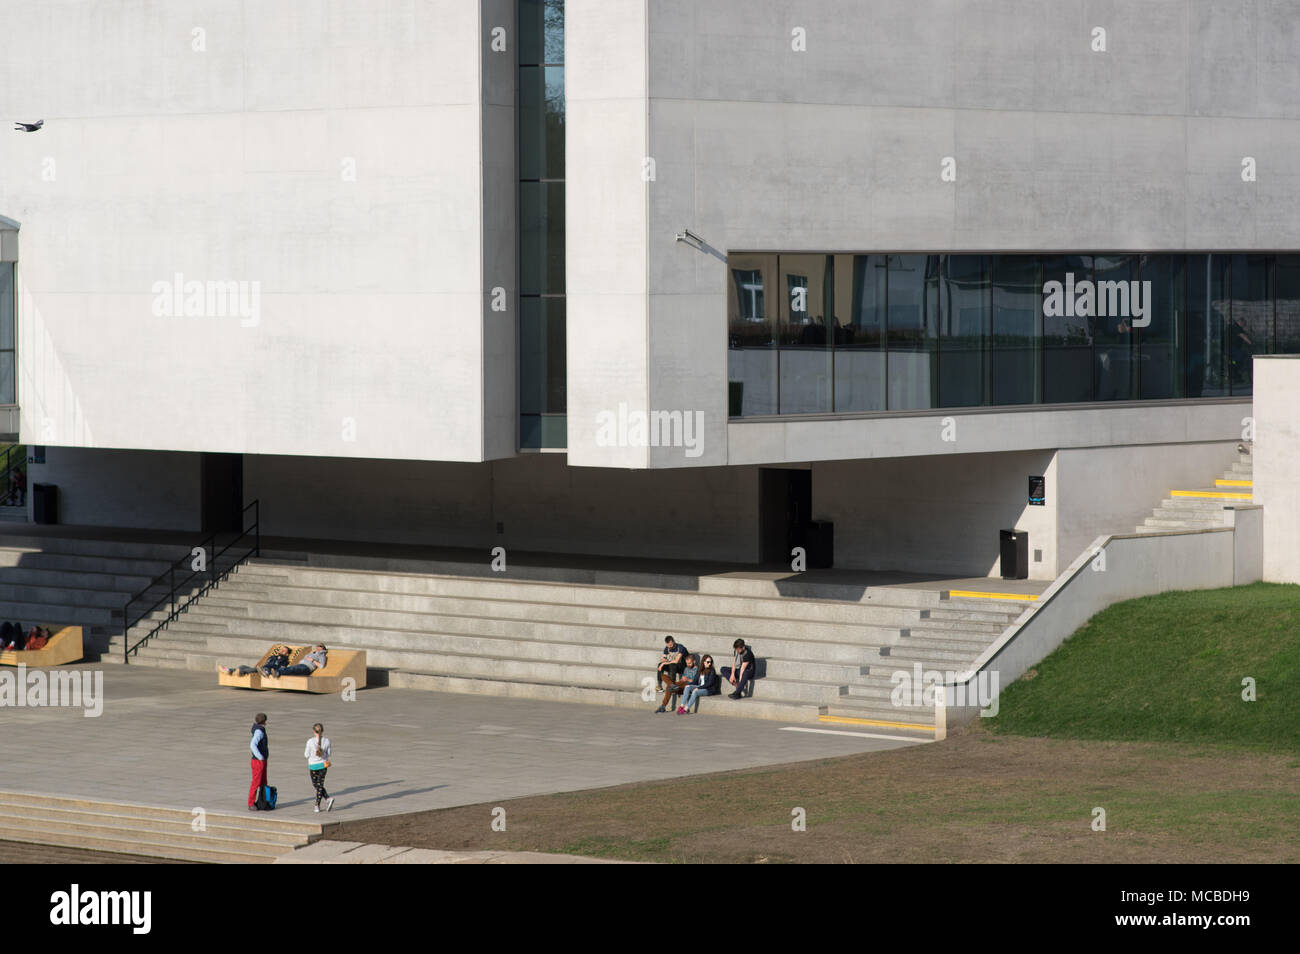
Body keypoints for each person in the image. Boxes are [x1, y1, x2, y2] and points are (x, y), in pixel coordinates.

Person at [303, 722, 334, 813]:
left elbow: (306, 755)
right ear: (322, 731)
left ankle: (318, 805)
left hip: (313, 766)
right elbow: (329, 754)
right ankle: (327, 799)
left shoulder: (310, 741)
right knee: (320, 785)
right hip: (323, 765)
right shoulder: (327, 741)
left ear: (314, 731)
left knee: (316, 784)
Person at [220, 644, 289, 677]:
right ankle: (230, 670)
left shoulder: (285, 661)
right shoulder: (273, 657)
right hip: (262, 669)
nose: (281, 651)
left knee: (251, 669)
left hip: (267, 671)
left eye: (284, 651)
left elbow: (281, 669)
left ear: (287, 654)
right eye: (281, 649)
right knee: (243, 666)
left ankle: (231, 671)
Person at [249, 713, 269, 811]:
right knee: (256, 782)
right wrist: (260, 757)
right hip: (258, 761)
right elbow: (253, 745)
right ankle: (251, 803)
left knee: (263, 782)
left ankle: (262, 801)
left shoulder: (257, 728)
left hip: (261, 760)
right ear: (264, 721)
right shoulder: (259, 731)